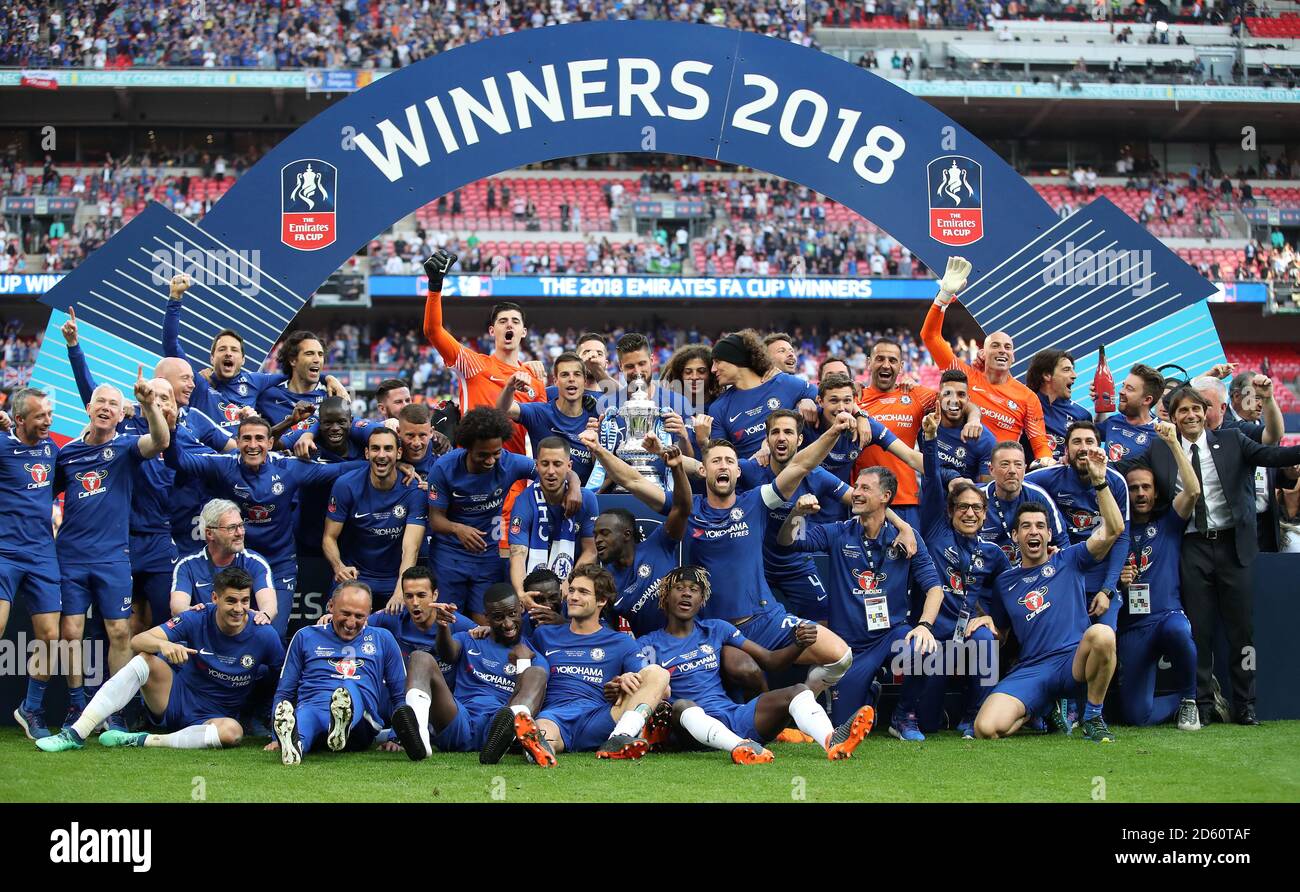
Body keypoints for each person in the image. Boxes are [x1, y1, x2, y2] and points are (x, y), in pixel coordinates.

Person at [1118, 384, 1300, 725]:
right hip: (1191, 546)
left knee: (1241, 633)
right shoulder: (1160, 450)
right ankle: (1201, 702)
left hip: (1234, 545)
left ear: (1205, 412)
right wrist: (1083, 461)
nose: (1191, 416)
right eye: (1183, 411)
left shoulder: (1231, 440)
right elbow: (1121, 467)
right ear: (1172, 417)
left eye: (1196, 409)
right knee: (1198, 630)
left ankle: (1246, 703)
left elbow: (1272, 455)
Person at [638, 566, 875, 763]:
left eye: (694, 590)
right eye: (679, 589)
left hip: (733, 716)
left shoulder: (717, 629)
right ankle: (741, 747)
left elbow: (770, 661)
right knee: (682, 705)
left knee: (799, 692)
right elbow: (639, 691)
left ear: (702, 600)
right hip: (690, 729)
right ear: (665, 597)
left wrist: (798, 645)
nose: (687, 594)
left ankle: (832, 742)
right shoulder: (648, 644)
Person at [36, 567, 284, 752]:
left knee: (232, 733)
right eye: (231, 600)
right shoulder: (196, 617)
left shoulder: (264, 634)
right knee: (145, 659)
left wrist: (276, 732)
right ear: (215, 599)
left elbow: (283, 681)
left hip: (215, 718)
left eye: (244, 601)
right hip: (173, 697)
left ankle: (142, 740)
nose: (239, 609)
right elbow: (137, 641)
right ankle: (76, 733)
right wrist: (164, 644)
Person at [779, 466, 945, 741]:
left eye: (865, 488)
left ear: (886, 496)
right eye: (856, 487)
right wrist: (797, 514)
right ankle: (870, 690)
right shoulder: (839, 532)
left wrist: (925, 625)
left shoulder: (906, 538)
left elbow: (935, 589)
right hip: (850, 647)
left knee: (925, 648)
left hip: (891, 634)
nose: (855, 493)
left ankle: (903, 716)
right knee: (845, 726)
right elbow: (788, 542)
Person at [164, 415, 365, 639]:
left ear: (270, 443)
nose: (252, 445)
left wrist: (398, 462)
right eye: (246, 439)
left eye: (259, 438)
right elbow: (178, 460)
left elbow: (342, 470)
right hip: (240, 563)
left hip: (279, 563)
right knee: (229, 634)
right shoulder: (223, 465)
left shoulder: (289, 468)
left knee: (272, 634)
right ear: (237, 441)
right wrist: (171, 430)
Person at [975, 445, 1125, 742]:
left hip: (1074, 661)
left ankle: (1093, 716)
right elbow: (1001, 633)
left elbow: (1113, 530)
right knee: (986, 729)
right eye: (1026, 527)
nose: (1034, 532)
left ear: (1048, 534)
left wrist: (1100, 481)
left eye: (1040, 527)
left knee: (1103, 635)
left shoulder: (1069, 559)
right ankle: (1040, 708)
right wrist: (984, 621)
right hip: (1033, 668)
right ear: (1015, 536)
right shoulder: (1005, 582)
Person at [54, 367, 170, 733]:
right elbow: (39, 493)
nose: (106, 408)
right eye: (100, 402)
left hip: (114, 558)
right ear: (88, 408)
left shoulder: (125, 448)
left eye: (114, 405)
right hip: (69, 556)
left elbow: (161, 441)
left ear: (122, 415)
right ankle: (76, 706)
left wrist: (150, 405)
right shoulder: (67, 453)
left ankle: (114, 711)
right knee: (71, 632)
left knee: (119, 632)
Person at [429, 408, 580, 623]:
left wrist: (574, 486)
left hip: (487, 555)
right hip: (449, 556)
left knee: (486, 622)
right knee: (449, 618)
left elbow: (553, 470)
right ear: (468, 448)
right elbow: (435, 519)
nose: (491, 460)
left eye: (496, 453)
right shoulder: (444, 468)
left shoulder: (510, 463)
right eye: (483, 454)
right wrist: (457, 529)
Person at [915, 412, 1012, 736]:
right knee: (926, 724)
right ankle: (927, 716)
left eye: (976, 508)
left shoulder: (992, 553)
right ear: (950, 511)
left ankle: (974, 715)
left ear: (985, 515)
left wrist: (992, 619)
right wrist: (929, 441)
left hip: (967, 634)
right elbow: (930, 480)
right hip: (933, 635)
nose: (969, 513)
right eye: (963, 507)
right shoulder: (936, 530)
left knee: (986, 639)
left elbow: (1012, 591)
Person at [388, 582, 554, 766]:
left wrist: (522, 664)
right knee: (420, 657)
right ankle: (419, 737)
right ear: (487, 618)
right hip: (460, 719)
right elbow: (447, 654)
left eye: (512, 614)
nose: (507, 624)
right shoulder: (471, 638)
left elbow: (527, 694)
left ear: (521, 608)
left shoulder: (532, 655)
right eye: (498, 617)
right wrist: (442, 626)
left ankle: (503, 741)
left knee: (537, 673)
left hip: (497, 725)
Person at [921, 256, 1054, 463]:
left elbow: (1040, 445)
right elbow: (930, 337)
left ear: (1014, 357)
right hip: (957, 466)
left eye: (1008, 347)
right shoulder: (964, 376)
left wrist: (1046, 460)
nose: (1002, 351)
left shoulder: (1027, 398)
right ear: (983, 352)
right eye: (995, 345)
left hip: (998, 475)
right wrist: (943, 297)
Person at [531, 564, 671, 759]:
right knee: (541, 733)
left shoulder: (621, 642)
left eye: (583, 592)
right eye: (571, 590)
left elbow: (663, 691)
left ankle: (620, 737)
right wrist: (483, 631)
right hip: (555, 716)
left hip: (601, 718)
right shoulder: (543, 635)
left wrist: (627, 679)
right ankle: (541, 751)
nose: (573, 597)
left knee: (658, 671)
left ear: (602, 600)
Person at [1118, 420, 1201, 730]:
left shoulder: (1168, 522)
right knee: (1137, 718)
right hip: (1132, 626)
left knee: (1180, 632)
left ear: (1155, 492)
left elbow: (1192, 490)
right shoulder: (1116, 530)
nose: (1140, 493)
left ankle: (1192, 703)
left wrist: (1173, 444)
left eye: (1146, 487)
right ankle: (1190, 696)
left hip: (1167, 615)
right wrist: (1119, 581)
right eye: (1133, 488)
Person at [270, 581, 407, 765]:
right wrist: (274, 737)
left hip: (361, 724)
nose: (351, 623)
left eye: (359, 616)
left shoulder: (383, 639)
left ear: (370, 612)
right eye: (345, 614)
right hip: (315, 708)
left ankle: (343, 722)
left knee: (348, 686)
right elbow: (285, 691)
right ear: (330, 606)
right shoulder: (305, 636)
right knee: (305, 715)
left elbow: (400, 695)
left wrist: (396, 736)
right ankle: (295, 747)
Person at [422, 250, 544, 455]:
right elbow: (433, 331)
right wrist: (435, 287)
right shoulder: (472, 364)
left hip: (514, 479)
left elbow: (543, 429)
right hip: (472, 472)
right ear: (491, 330)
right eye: (502, 321)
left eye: (515, 322)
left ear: (523, 332)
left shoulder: (536, 381)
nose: (509, 326)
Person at [853, 339, 980, 530]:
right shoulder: (855, 398)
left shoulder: (915, 395)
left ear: (901, 366)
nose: (886, 365)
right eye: (880, 359)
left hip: (906, 501)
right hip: (864, 500)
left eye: (892, 360)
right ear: (869, 362)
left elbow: (958, 400)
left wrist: (974, 419)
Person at [583, 431, 690, 635]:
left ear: (627, 534)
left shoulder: (659, 543)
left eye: (605, 533)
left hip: (687, 640)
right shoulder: (606, 582)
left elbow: (682, 508)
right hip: (651, 648)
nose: (598, 540)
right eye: (596, 534)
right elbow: (610, 633)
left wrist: (677, 469)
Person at [1026, 419, 1131, 629]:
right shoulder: (1048, 478)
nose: (1083, 448)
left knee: (1105, 636)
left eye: (1090, 442)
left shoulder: (1117, 482)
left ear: (1099, 448)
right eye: (1077, 442)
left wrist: (1108, 589)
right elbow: (1013, 484)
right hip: (1065, 574)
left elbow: (1122, 536)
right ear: (1066, 450)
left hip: (1101, 578)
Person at [3, 388, 63, 739]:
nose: (48, 421)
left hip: (43, 553)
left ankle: (31, 708)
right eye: (40, 416)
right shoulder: (1, 446)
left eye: (50, 414)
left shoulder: (51, 450)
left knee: (50, 636)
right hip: (4, 552)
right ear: (20, 419)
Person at [323, 427, 428, 611]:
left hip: (395, 578)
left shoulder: (413, 490)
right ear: (366, 453)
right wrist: (339, 567)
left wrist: (400, 590)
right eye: (375, 448)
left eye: (388, 449)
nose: (381, 455)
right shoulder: (346, 485)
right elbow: (328, 538)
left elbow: (411, 548)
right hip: (356, 576)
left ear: (399, 453)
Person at [701, 330, 819, 459]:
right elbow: (721, 457)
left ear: (736, 359)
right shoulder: (718, 408)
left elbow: (828, 400)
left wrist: (808, 400)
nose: (713, 369)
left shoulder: (785, 383)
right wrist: (752, 464)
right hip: (752, 477)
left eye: (717, 362)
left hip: (795, 473)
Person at [499, 353, 599, 484]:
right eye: (564, 375)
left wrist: (596, 448)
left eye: (577, 374)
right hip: (545, 499)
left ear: (585, 381)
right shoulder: (540, 413)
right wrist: (509, 388)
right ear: (555, 381)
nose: (571, 379)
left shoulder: (595, 417)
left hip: (585, 498)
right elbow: (503, 410)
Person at [170, 499, 276, 618]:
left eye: (241, 525)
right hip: (202, 630)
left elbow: (269, 606)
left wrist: (264, 615)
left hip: (241, 629)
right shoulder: (187, 565)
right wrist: (189, 612)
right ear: (210, 533)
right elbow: (177, 607)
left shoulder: (255, 562)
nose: (240, 533)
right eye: (231, 528)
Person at [981, 441, 1067, 565]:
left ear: (1025, 469)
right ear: (991, 469)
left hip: (1027, 572)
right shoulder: (977, 499)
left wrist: (1058, 560)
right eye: (1005, 464)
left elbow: (1062, 542)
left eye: (1018, 465)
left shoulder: (1039, 496)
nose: (1012, 471)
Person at [256, 330, 340, 426]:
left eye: (320, 354)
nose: (317, 360)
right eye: (309, 353)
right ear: (293, 360)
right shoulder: (268, 396)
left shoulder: (330, 397)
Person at [932, 369, 996, 486]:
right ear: (938, 397)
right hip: (926, 502)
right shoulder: (927, 422)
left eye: (961, 395)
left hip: (963, 502)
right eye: (947, 394)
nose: (954, 400)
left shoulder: (985, 440)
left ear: (968, 399)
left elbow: (988, 489)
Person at [1027, 348, 1089, 463]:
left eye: (1073, 370)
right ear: (1047, 375)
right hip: (1030, 477)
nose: (1074, 375)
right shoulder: (1024, 405)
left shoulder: (1082, 414)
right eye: (1066, 370)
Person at [1098, 363, 1163, 462]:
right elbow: (1089, 436)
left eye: (1129, 389)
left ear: (1147, 400)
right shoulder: (1113, 421)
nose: (1121, 392)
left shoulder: (1160, 434)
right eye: (1123, 386)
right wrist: (1099, 401)